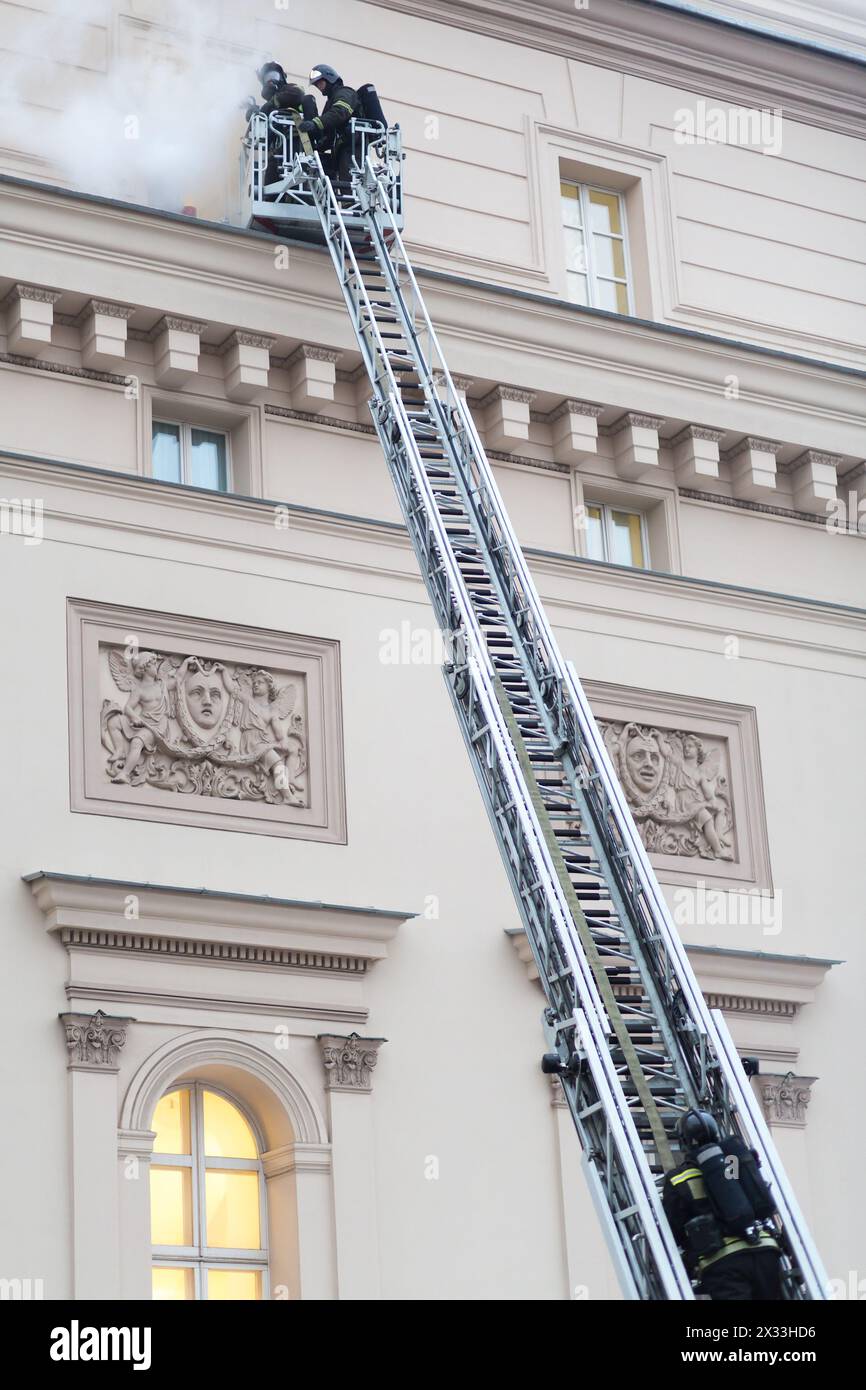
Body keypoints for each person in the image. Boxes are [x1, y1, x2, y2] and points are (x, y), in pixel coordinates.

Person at [663, 1110, 785, 1300]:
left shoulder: (678, 1178)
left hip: (724, 1262)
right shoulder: (734, 1162)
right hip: (765, 1251)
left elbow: (674, 1229)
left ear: (684, 1142)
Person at [299, 62, 360, 183]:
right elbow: (329, 132)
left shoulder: (345, 93)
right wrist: (316, 146)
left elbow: (339, 112)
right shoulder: (330, 102)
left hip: (352, 147)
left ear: (329, 78)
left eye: (320, 83)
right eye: (316, 85)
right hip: (341, 149)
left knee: (348, 186)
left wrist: (315, 123)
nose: (319, 87)